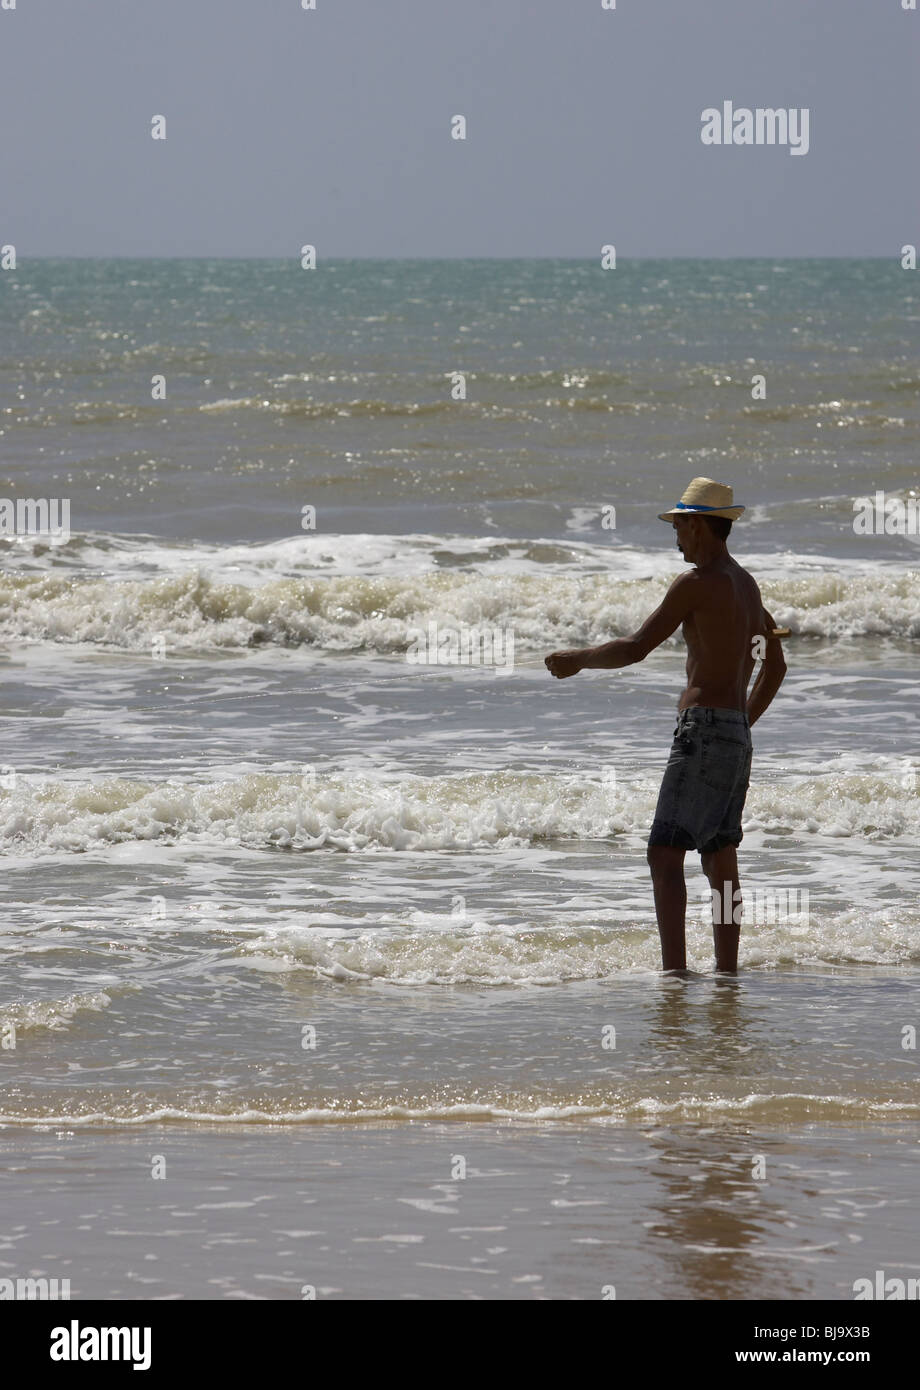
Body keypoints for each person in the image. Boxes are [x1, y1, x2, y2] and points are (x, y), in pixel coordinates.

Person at [545, 477, 787, 974]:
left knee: (664, 850)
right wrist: (742, 723)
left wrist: (579, 659)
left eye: (679, 526)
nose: (675, 536)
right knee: (720, 855)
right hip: (734, 733)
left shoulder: (695, 584)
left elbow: (636, 648)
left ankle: (674, 973)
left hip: (702, 730)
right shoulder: (746, 584)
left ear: (698, 526)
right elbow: (775, 664)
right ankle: (726, 972)